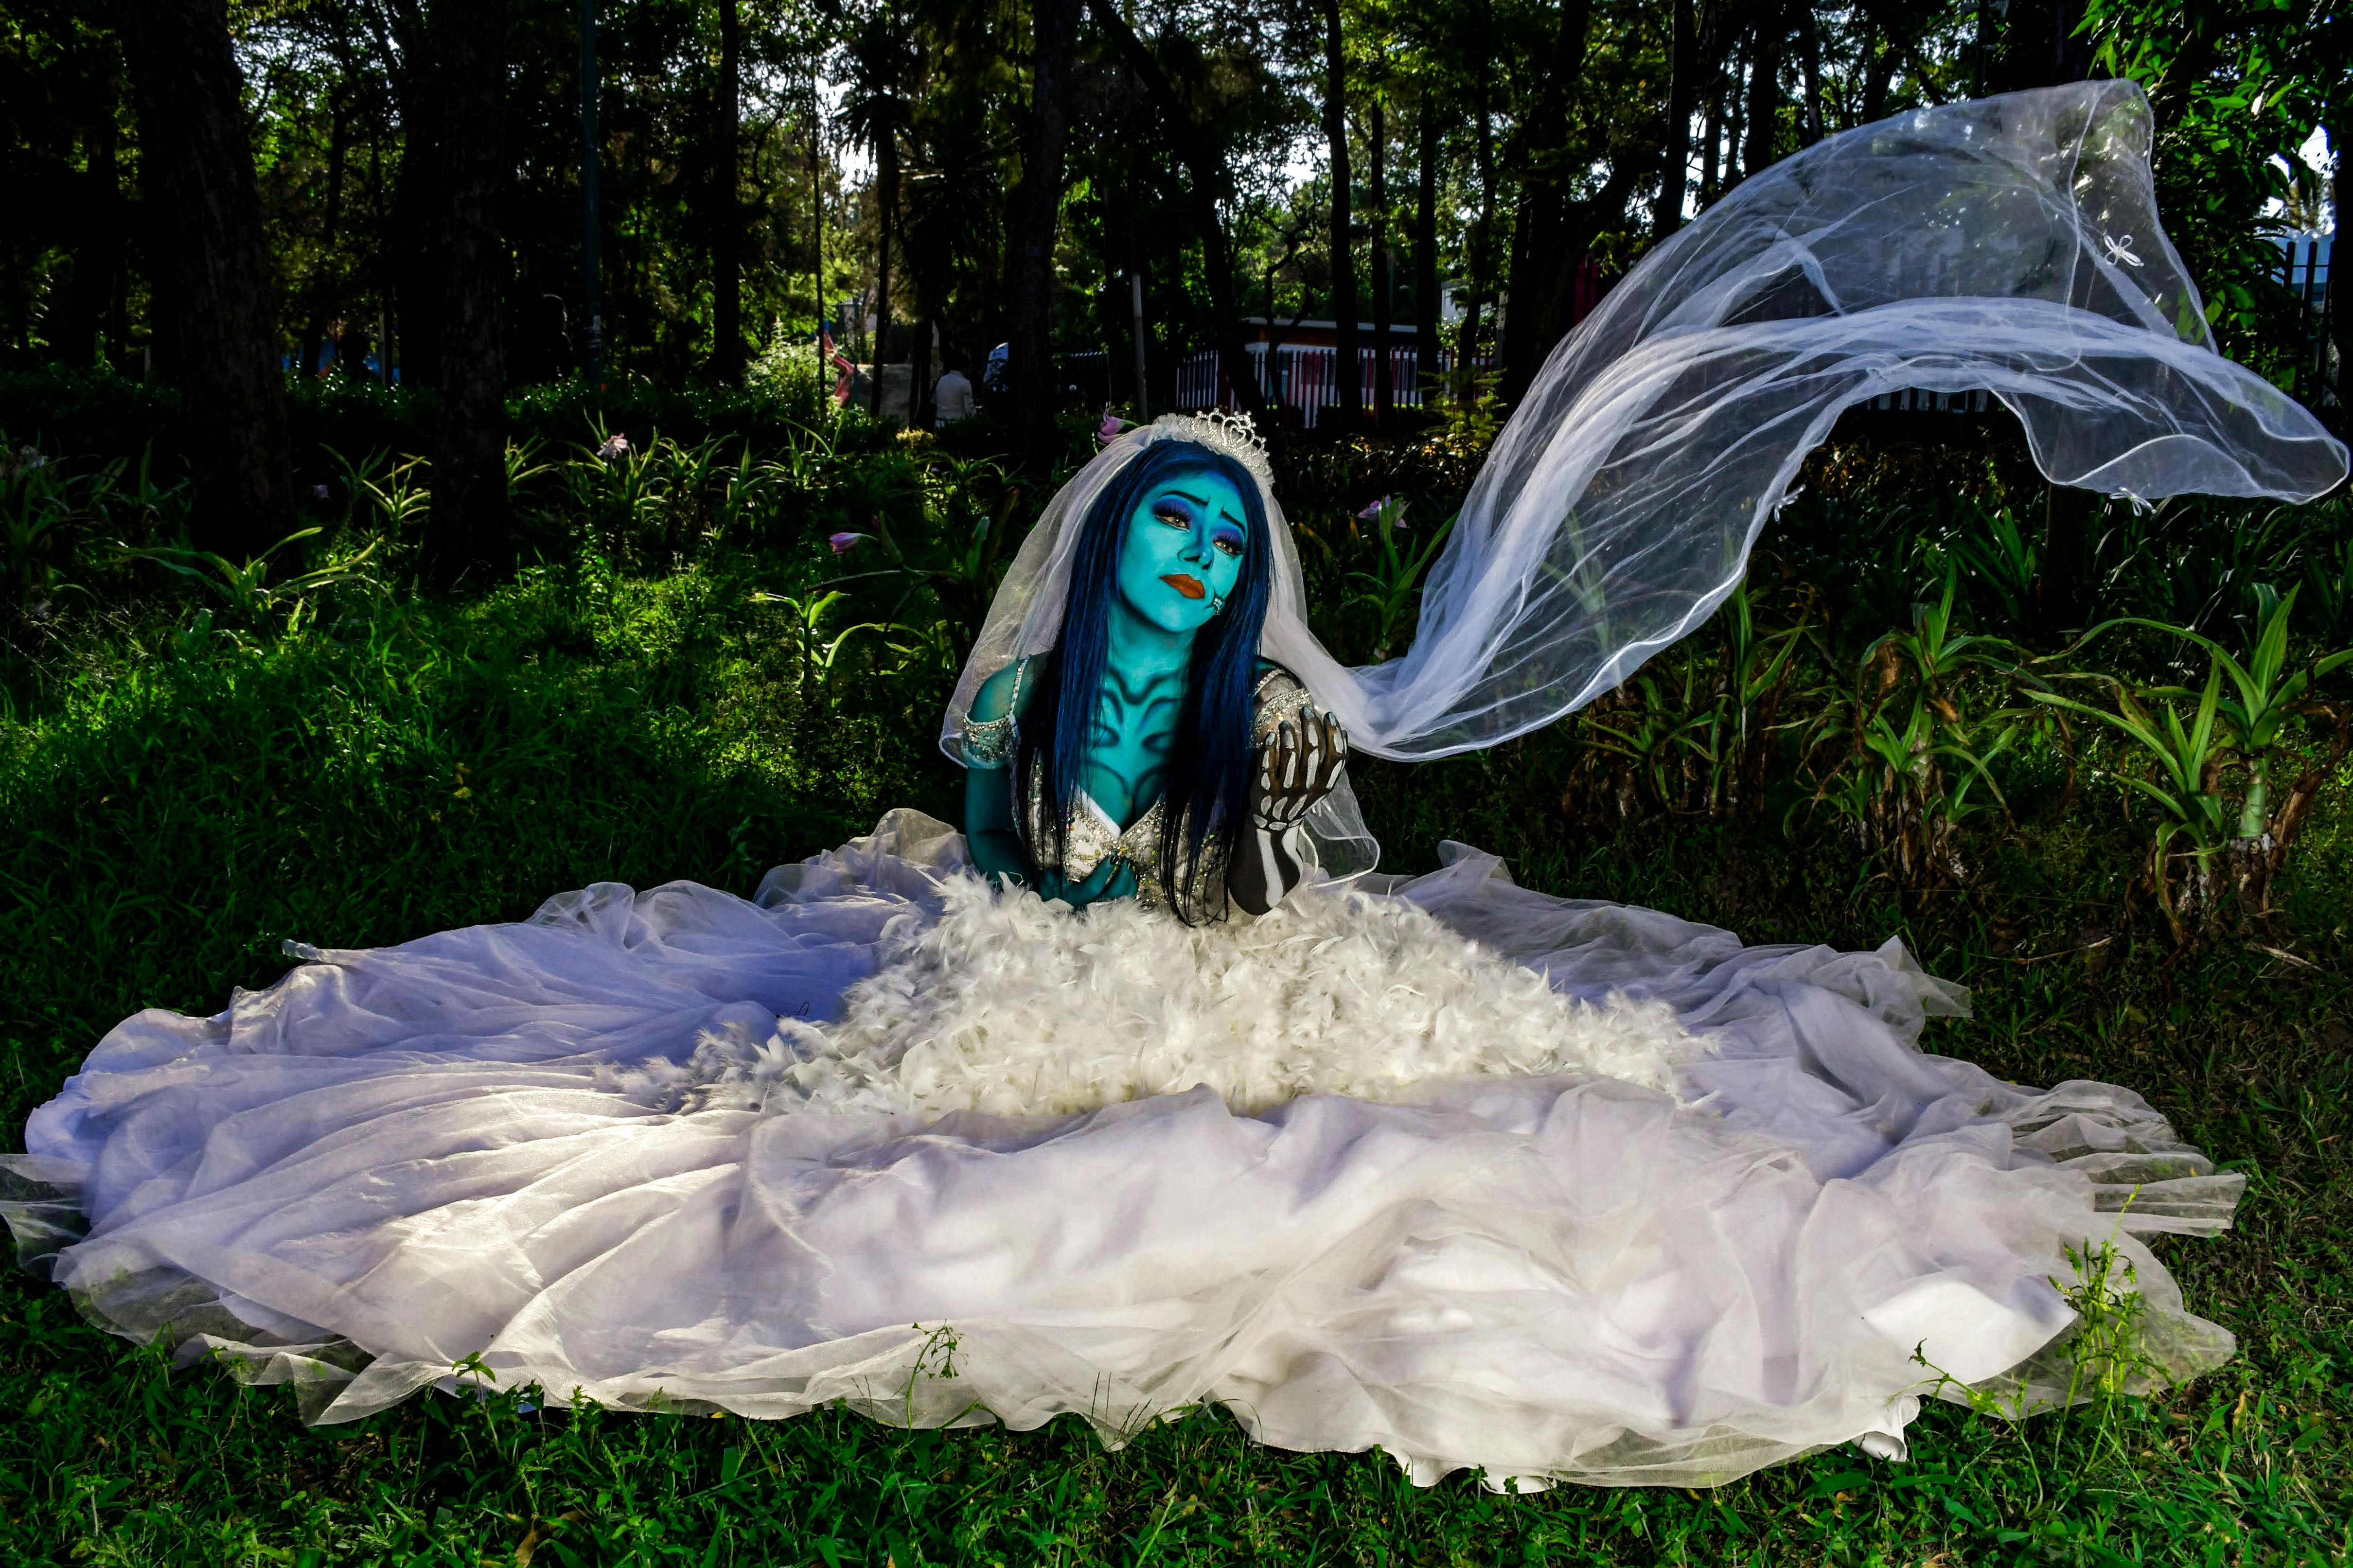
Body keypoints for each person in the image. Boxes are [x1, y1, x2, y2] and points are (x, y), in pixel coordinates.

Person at [6, 81, 2345, 1489]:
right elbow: (1027, 874)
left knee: (1520, 1085)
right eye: (1168, 523)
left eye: (1227, 539)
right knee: (890, 1120)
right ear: (1109, 544)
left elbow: (1269, 884)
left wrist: (1248, 859)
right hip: (1044, 981)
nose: (1198, 554)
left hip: (1241, 986)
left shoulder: (1275, 718)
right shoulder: (1024, 717)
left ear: (1242, 580)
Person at [932, 358, 975, 427]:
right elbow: (969, 408)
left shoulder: (940, 381)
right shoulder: (965, 383)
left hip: (939, 423)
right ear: (964, 369)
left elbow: (934, 402)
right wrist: (976, 421)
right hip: (957, 424)